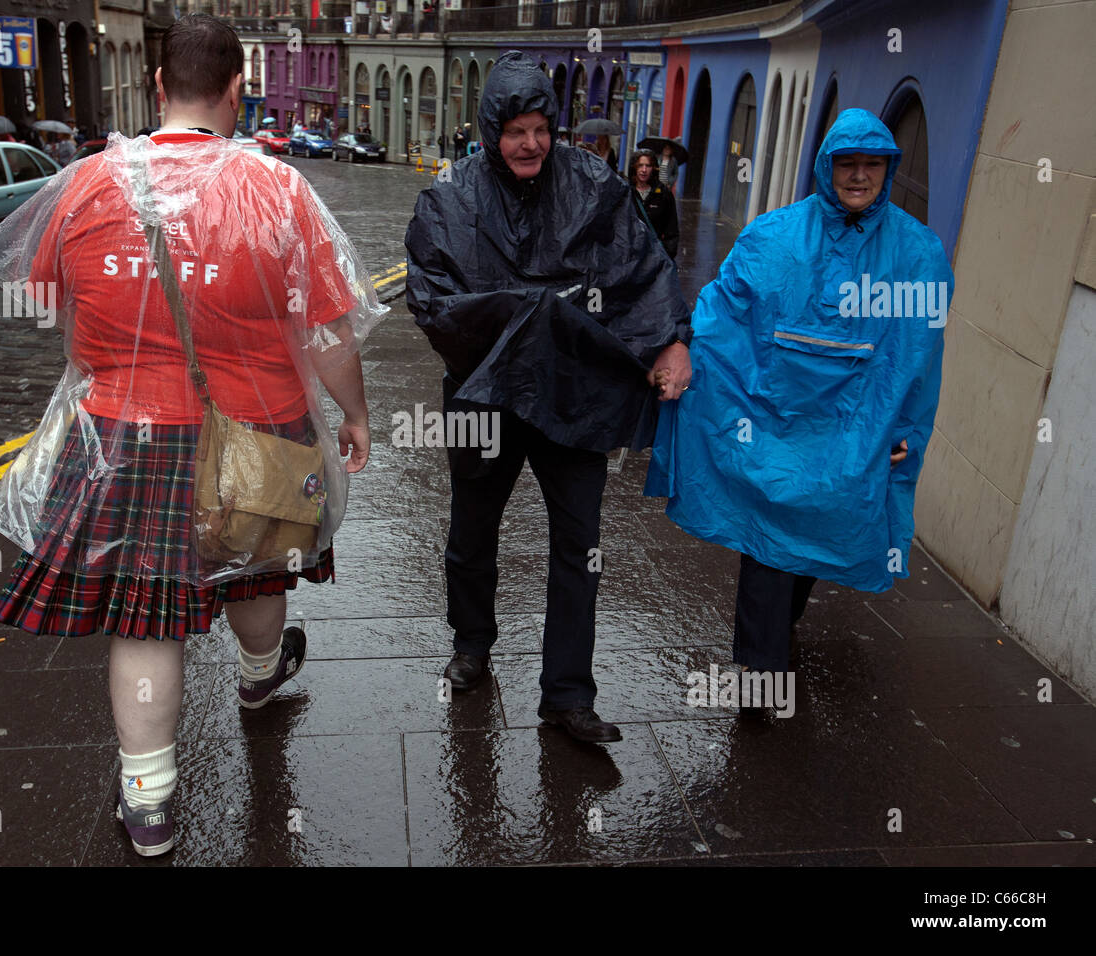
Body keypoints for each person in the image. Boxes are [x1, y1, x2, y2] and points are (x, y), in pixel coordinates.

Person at [0, 14, 381, 856]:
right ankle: (261, 678)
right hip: (261, 425)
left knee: (145, 616)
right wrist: (357, 415)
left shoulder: (84, 184)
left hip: (124, 432)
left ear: (157, 86)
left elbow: (62, 308)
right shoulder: (278, 190)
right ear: (237, 89)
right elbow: (331, 333)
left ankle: (150, 810)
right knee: (260, 568)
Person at [405, 51, 692, 744]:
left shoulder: (595, 185)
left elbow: (644, 269)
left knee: (580, 544)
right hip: (487, 399)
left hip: (575, 397)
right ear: (489, 133)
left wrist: (672, 340)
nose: (531, 143)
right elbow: (433, 301)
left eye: (541, 128)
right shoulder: (450, 199)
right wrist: (533, 315)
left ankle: (567, 693)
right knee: (472, 533)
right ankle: (472, 642)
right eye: (516, 131)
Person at [644, 108, 953, 706]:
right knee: (768, 545)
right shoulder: (774, 236)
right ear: (826, 166)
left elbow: (918, 356)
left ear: (888, 171)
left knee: (816, 537)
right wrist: (681, 355)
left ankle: (776, 631)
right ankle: (759, 680)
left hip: (852, 433)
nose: (859, 176)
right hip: (774, 425)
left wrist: (905, 431)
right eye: (848, 163)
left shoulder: (917, 256)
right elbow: (723, 315)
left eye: (872, 165)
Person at [629, 149, 679, 260]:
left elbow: (671, 229)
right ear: (634, 167)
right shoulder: (626, 192)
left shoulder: (663, 194)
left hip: (653, 255)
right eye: (640, 165)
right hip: (629, 256)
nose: (644, 170)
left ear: (654, 168)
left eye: (648, 166)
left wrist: (667, 254)